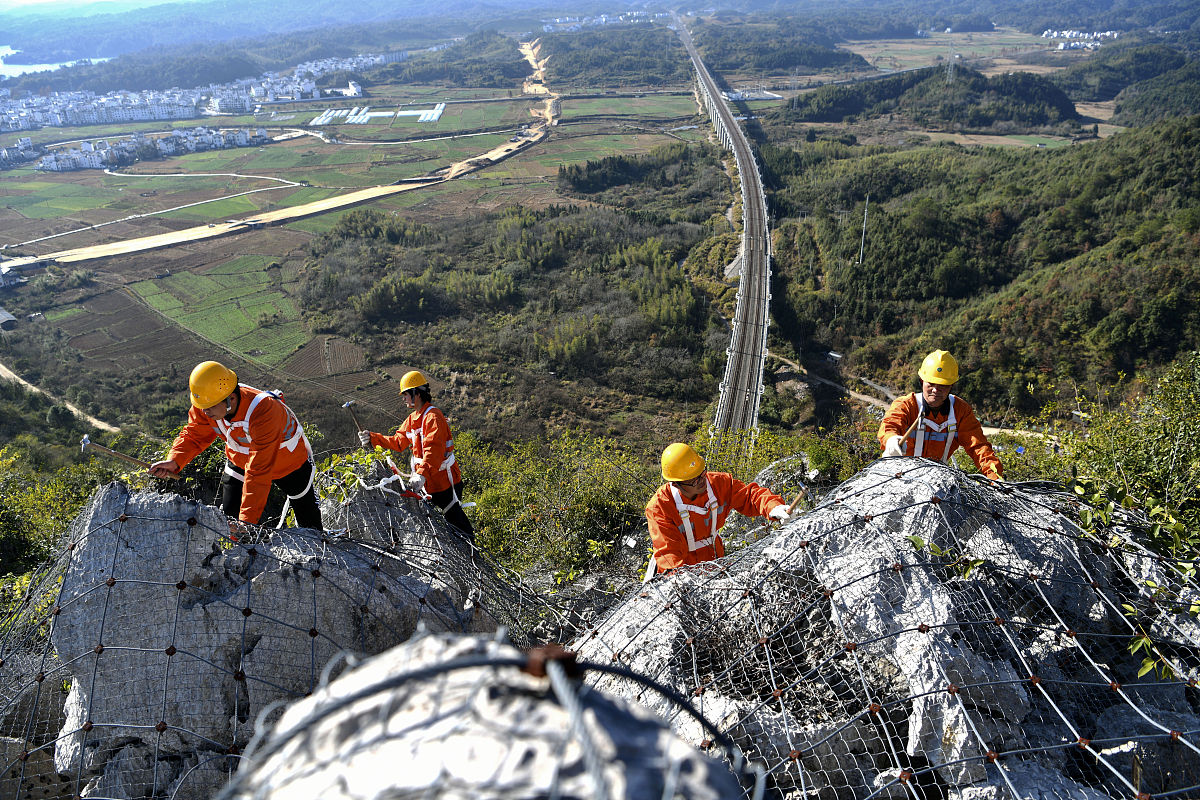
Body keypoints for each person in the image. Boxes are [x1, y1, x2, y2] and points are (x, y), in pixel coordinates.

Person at [149, 361, 323, 530]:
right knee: (230, 519)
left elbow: (258, 472)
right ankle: (239, 545)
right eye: (202, 407)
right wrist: (174, 461)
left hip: (288, 464)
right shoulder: (207, 404)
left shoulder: (265, 411)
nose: (204, 412)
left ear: (230, 398)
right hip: (239, 460)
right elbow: (194, 435)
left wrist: (246, 523)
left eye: (209, 407)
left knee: (309, 523)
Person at [357, 370, 474, 541]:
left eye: (405, 394)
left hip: (444, 483)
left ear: (416, 393)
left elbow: (433, 451)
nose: (403, 398)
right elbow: (398, 442)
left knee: (457, 523)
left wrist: (421, 474)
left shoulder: (433, 417)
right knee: (440, 525)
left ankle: (471, 552)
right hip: (428, 482)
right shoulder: (413, 419)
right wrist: (372, 438)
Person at [644, 442, 789, 577]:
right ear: (676, 484)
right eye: (694, 480)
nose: (702, 481)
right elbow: (668, 554)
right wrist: (681, 582)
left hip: (715, 560)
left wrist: (773, 506)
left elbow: (749, 495)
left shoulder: (718, 484)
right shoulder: (660, 508)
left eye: (702, 473)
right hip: (684, 568)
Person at [878, 349, 1004, 480]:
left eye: (942, 386)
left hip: (935, 478)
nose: (935, 390)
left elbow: (979, 447)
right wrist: (891, 440)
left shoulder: (960, 411)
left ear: (951, 386)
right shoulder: (907, 405)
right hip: (900, 475)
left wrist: (995, 478)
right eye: (931, 384)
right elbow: (890, 425)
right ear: (921, 381)